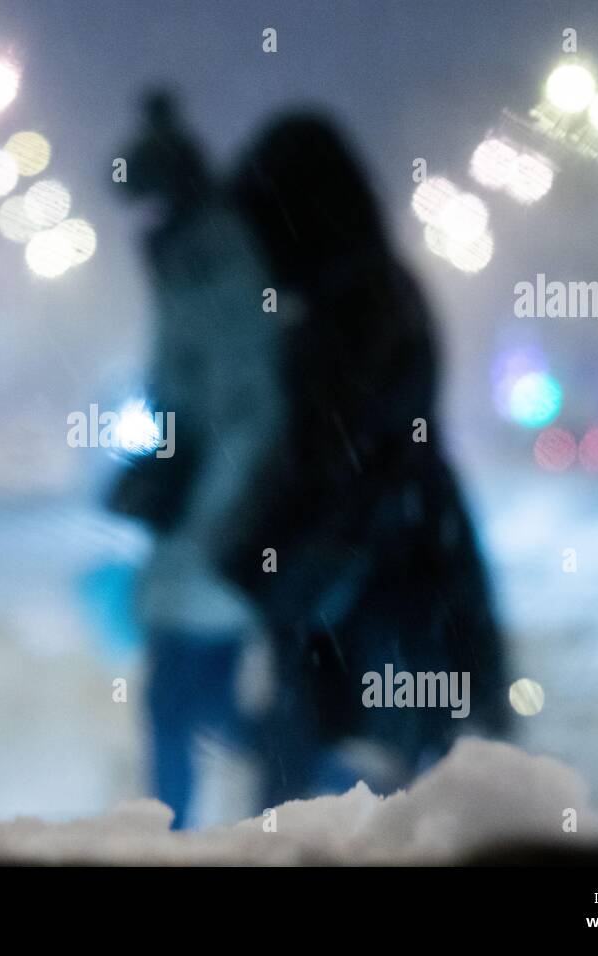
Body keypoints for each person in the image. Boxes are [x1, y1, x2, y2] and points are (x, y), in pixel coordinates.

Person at [220, 114, 512, 803]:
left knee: (335, 799)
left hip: (367, 580)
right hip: (395, 568)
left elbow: (335, 459)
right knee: (382, 788)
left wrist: (265, 561)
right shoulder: (376, 292)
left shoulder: (352, 308)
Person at [107, 93, 286, 828]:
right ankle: (178, 831)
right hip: (205, 527)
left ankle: (174, 836)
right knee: (188, 705)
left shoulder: (215, 264)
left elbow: (242, 411)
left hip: (216, 530)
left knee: (186, 704)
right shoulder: (198, 260)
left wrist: (201, 514)